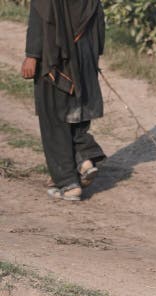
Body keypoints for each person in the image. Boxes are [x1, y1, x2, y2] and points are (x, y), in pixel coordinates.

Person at [21, 0, 106, 201]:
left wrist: (32, 56)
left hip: (55, 63)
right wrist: (92, 58)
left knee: (54, 121)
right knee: (75, 115)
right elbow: (99, 26)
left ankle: (68, 183)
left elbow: (39, 21)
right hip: (84, 61)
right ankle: (84, 159)